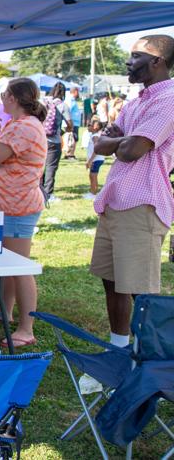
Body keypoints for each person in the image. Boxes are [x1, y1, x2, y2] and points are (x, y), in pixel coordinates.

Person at [90, 34, 174, 349]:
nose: (128, 61)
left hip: (143, 205)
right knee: (112, 282)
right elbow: (101, 143)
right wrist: (116, 141)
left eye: (136, 55)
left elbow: (132, 149)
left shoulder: (169, 100)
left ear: (158, 61)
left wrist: (118, 142)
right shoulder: (138, 100)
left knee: (141, 289)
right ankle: (119, 349)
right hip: (115, 202)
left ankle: (151, 356)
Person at [0, 78, 48, 348]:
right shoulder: (22, 125)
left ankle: (25, 329)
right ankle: (5, 313)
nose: (1, 100)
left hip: (18, 208)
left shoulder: (22, 127)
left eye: (4, 95)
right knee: (8, 266)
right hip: (11, 206)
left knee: (20, 268)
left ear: (13, 98)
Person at [41, 82, 71, 203]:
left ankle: (38, 191)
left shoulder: (44, 102)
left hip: (40, 139)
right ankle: (48, 194)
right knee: (51, 167)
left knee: (39, 166)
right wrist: (63, 131)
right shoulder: (63, 105)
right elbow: (70, 124)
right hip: (54, 140)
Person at [83, 116, 106, 200]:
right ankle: (92, 191)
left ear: (95, 127)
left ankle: (94, 194)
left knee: (93, 176)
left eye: (89, 125)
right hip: (95, 159)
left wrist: (90, 160)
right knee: (92, 175)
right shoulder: (93, 135)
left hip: (96, 159)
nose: (87, 126)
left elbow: (97, 149)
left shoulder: (95, 136)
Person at [63, 86, 82, 159]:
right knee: (72, 138)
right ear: (75, 92)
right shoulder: (70, 100)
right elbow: (68, 111)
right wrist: (69, 123)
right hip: (72, 123)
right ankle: (70, 154)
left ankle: (70, 154)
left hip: (74, 122)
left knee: (74, 138)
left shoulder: (72, 100)